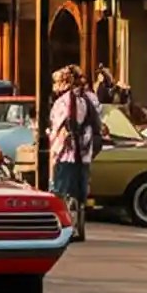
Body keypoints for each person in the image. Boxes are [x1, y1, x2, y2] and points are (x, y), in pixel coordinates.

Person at [47, 65, 102, 207]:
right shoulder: (91, 98)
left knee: (59, 190)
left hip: (65, 153)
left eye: (57, 82)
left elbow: (56, 125)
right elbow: (98, 118)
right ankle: (79, 211)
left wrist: (51, 137)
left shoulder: (63, 101)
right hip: (85, 152)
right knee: (80, 189)